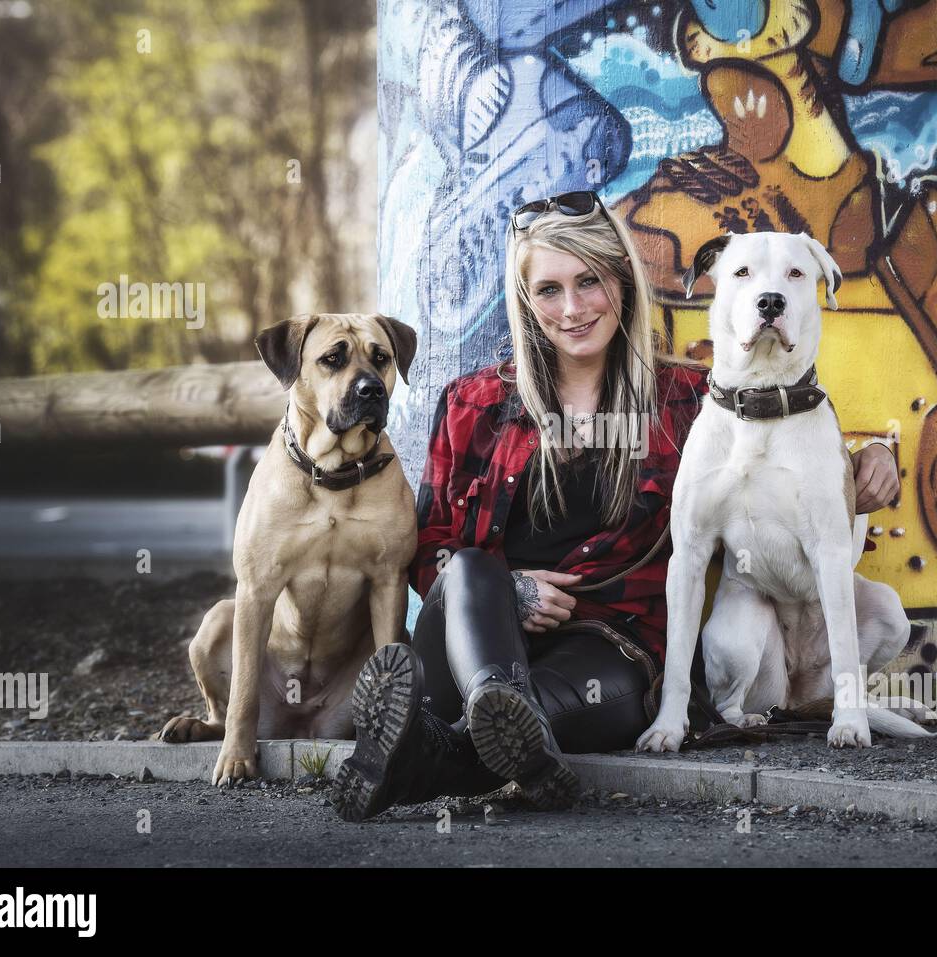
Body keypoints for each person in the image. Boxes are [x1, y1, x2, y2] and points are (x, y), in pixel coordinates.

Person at [330, 191, 901, 822]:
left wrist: (872, 456)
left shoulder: (691, 404)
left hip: (610, 649)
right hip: (470, 638)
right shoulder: (472, 404)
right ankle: (486, 707)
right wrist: (514, 591)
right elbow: (430, 549)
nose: (572, 309)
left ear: (622, 285)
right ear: (526, 301)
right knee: (469, 569)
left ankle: (427, 753)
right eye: (549, 290)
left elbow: (794, 481)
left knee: (529, 717)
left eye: (589, 283)